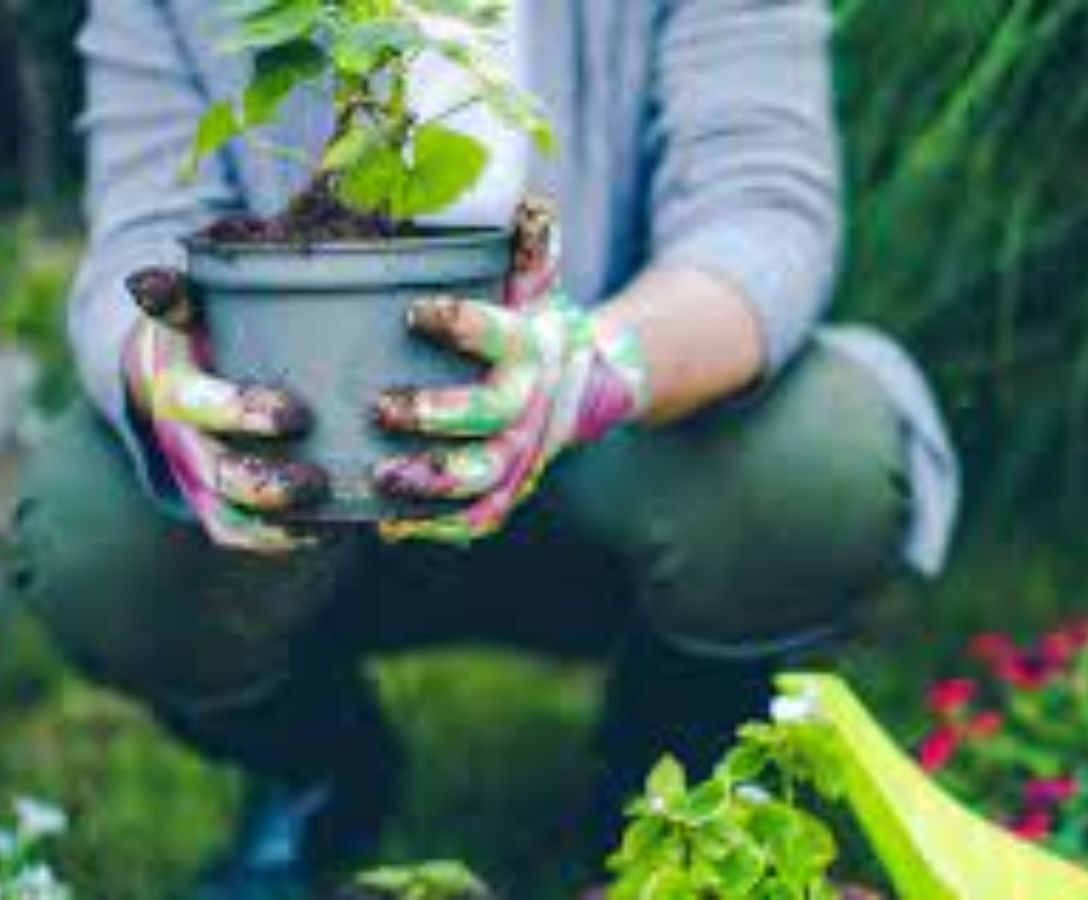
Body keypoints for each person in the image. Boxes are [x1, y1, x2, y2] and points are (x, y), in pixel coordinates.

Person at [3, 0, 959, 896]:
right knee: (94, 533)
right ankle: (316, 766)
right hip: (307, 472)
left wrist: (590, 370)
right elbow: (144, 234)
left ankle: (674, 748)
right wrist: (167, 374)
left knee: (814, 461)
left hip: (628, 448)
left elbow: (761, 212)